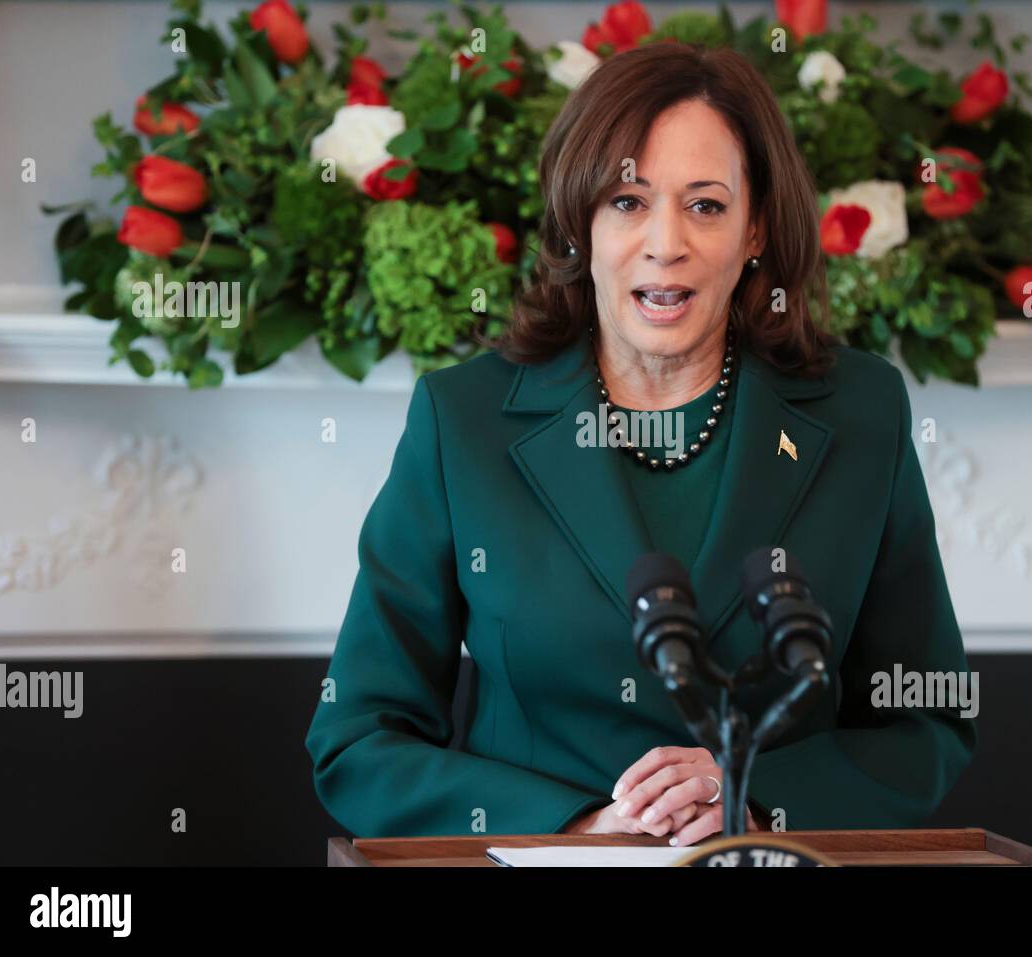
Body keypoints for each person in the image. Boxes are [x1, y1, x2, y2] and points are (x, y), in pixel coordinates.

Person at [305, 41, 976, 848]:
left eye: (705, 205)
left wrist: (753, 798)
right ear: (580, 219)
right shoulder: (463, 420)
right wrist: (577, 829)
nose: (666, 243)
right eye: (627, 201)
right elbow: (357, 739)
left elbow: (925, 716)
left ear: (755, 225)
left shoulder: (863, 410)